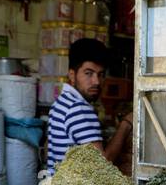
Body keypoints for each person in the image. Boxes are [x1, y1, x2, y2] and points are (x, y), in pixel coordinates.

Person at [46, 38, 132, 174]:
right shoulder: (79, 109)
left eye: (101, 74)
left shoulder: (61, 101)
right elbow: (102, 165)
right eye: (88, 73)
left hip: (56, 183)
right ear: (72, 75)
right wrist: (126, 124)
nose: (96, 81)